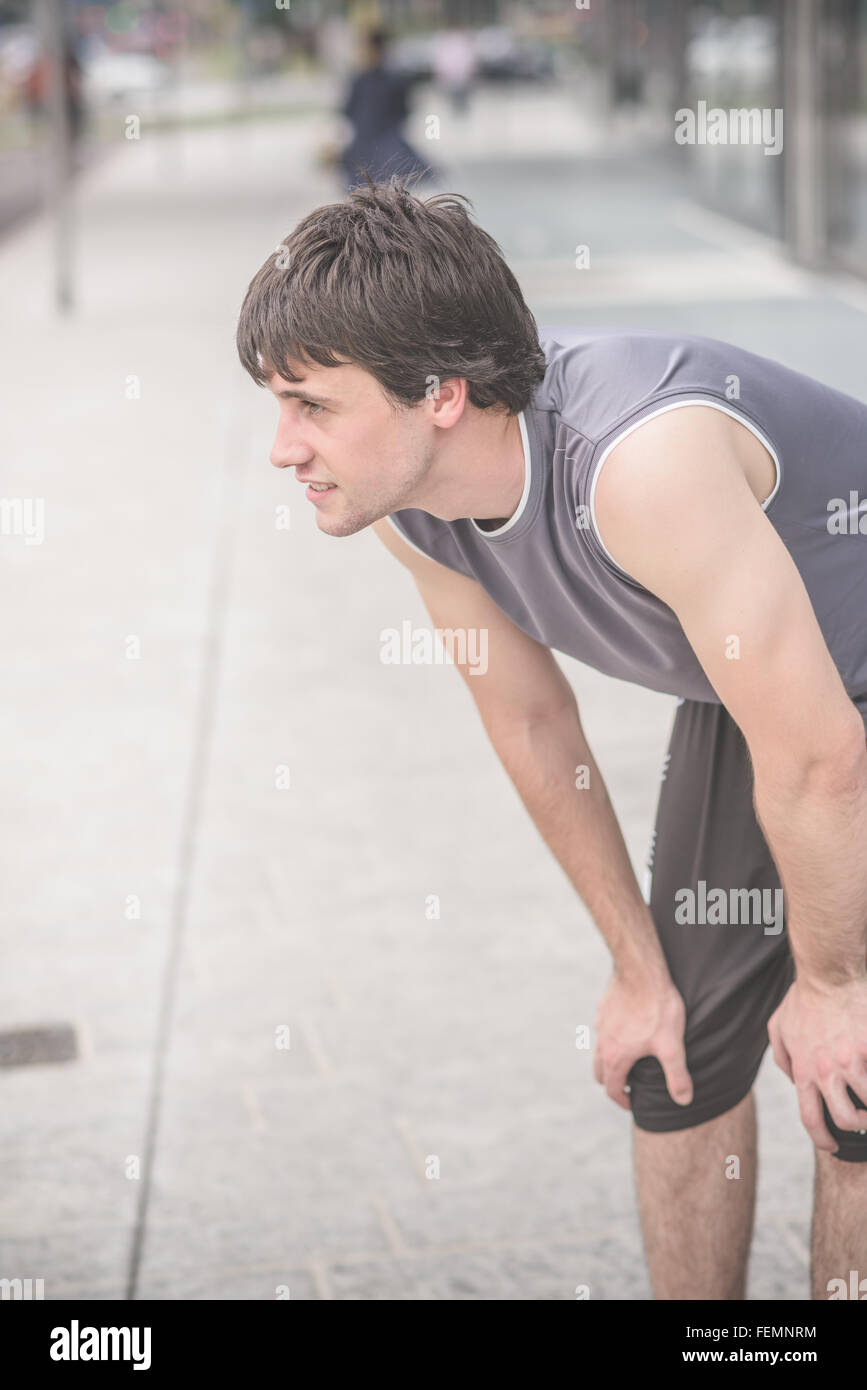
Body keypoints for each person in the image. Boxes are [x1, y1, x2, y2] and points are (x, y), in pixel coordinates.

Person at [236, 178, 867, 1301]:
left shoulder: (640, 464)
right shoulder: (414, 509)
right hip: (781, 711)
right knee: (673, 1055)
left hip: (826, 724)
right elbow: (531, 722)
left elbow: (824, 761)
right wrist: (636, 968)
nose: (282, 446)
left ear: (440, 392)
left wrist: (835, 980)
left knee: (852, 1080)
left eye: (310, 404)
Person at [339, 29, 434, 192]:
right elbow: (406, 110)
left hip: (369, 147)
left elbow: (346, 110)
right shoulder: (396, 78)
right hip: (390, 145)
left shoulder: (361, 79)